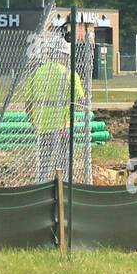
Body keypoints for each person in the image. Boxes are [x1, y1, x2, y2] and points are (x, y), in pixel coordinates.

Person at [22, 37, 86, 182]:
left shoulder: (38, 72)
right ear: (62, 55)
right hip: (62, 127)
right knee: (64, 166)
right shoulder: (69, 74)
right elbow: (81, 101)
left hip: (42, 127)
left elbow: (27, 103)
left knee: (43, 167)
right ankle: (63, 191)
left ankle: (41, 191)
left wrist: (33, 121)